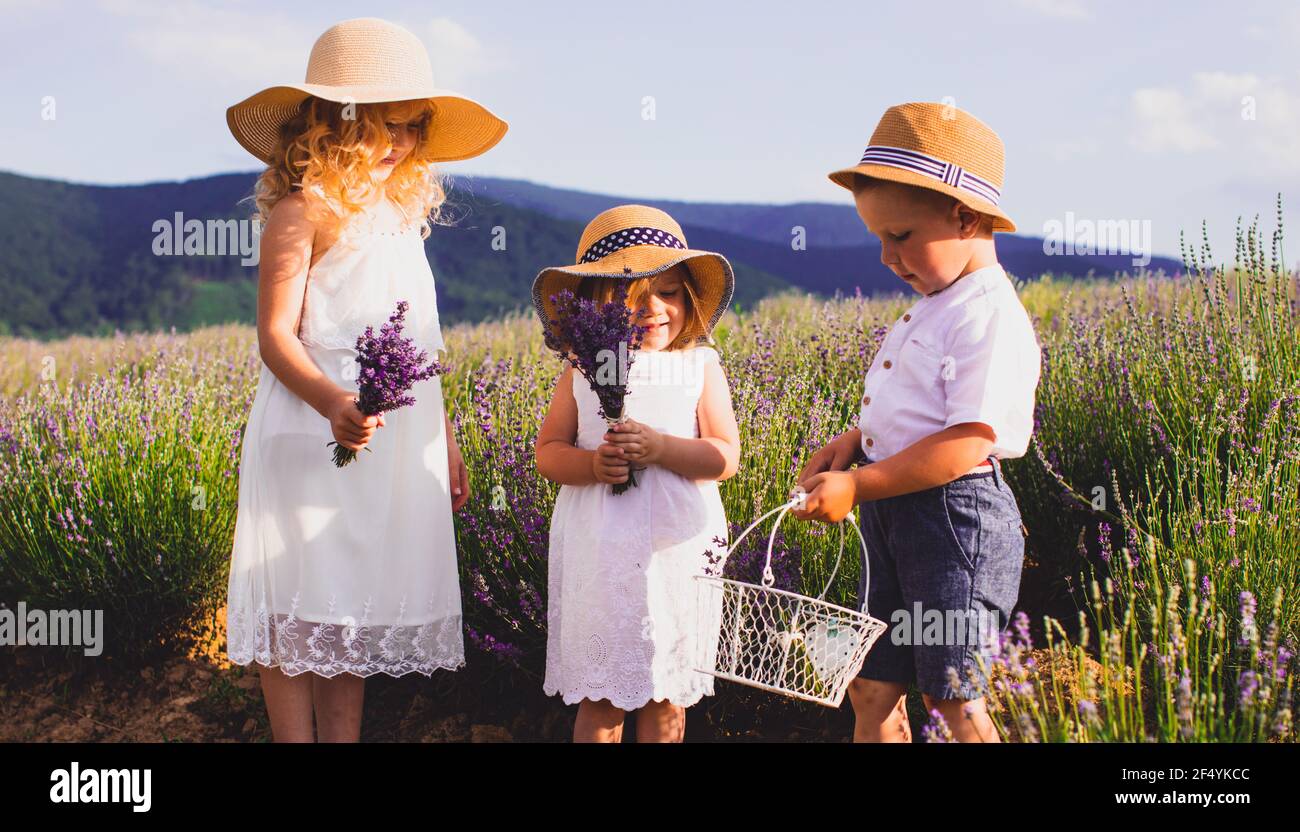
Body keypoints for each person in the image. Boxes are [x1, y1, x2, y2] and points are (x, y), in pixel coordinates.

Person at [223, 17, 507, 742]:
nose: (400, 143)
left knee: (347, 603)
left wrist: (443, 443)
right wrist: (332, 403)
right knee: (298, 603)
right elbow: (275, 336)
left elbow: (420, 349)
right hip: (309, 426)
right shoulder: (300, 210)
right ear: (333, 124)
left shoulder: (402, 220)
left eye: (412, 128)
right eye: (384, 125)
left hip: (388, 437)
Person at [793, 102, 1041, 743]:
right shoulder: (938, 304)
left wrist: (858, 487)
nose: (885, 256)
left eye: (899, 236)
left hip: (954, 522)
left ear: (966, 216)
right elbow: (915, 413)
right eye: (878, 238)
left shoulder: (987, 315)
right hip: (894, 512)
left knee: (952, 694)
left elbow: (964, 445)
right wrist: (852, 446)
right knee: (871, 685)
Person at [533, 205, 741, 742]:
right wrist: (592, 465)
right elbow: (549, 451)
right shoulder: (582, 364)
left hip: (676, 550)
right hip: (601, 550)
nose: (653, 308)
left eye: (669, 293)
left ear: (689, 300)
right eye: (629, 296)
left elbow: (724, 456)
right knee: (603, 696)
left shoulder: (698, 364)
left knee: (668, 691)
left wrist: (662, 448)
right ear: (593, 304)